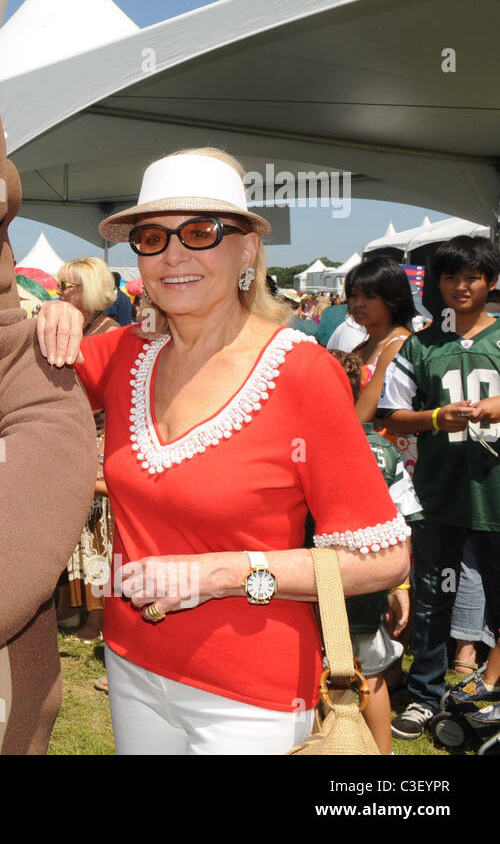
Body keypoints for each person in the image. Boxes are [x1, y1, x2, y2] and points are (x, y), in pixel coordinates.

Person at [36, 148, 409, 754]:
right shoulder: (128, 353)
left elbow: (385, 558)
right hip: (131, 666)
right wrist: (50, 315)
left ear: (245, 250)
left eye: (200, 233)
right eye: (152, 237)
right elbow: (2, 371)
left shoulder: (301, 372)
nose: (173, 255)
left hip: (248, 693)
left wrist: (222, 573)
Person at [378, 235, 500, 740]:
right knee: (432, 598)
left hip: (495, 494)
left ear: (490, 282)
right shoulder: (420, 344)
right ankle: (424, 695)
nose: (461, 286)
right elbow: (390, 414)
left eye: (471, 276)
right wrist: (434, 417)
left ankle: (488, 694)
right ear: (436, 284)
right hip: (438, 496)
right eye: (450, 276)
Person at [329, 349, 421, 755]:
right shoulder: (385, 451)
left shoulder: (302, 446)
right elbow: (405, 520)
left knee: (327, 665)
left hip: (317, 578)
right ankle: (382, 751)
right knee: (374, 669)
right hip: (369, 578)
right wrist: (398, 582)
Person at [54, 257, 119, 644]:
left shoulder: (111, 334)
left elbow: (118, 403)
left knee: (97, 535)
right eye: (61, 285)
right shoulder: (74, 328)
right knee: (73, 531)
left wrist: (102, 452)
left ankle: (97, 618)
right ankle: (71, 605)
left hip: (101, 444)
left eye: (69, 286)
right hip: (74, 439)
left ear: (90, 289)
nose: (60, 292)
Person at [345, 257, 417, 469]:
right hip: (367, 454)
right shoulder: (360, 347)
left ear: (392, 299)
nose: (358, 303)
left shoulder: (398, 344)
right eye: (353, 295)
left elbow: (363, 413)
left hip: (391, 460)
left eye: (369, 296)